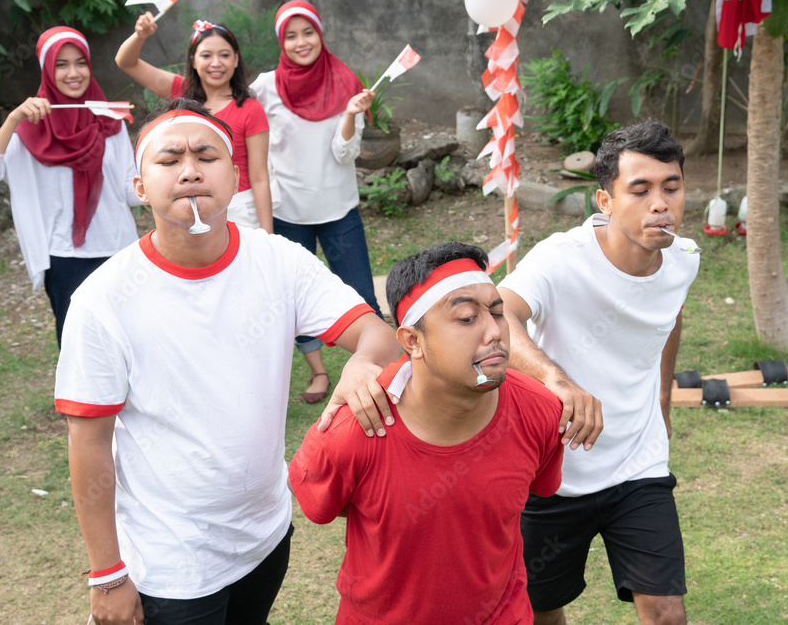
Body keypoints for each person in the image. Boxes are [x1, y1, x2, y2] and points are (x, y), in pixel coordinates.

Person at [54, 100, 401, 625]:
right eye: (169, 160)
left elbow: (379, 335)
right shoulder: (103, 299)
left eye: (206, 156)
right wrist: (107, 575)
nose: (190, 169)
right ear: (140, 187)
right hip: (171, 563)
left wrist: (361, 363)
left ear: (236, 176)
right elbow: (90, 443)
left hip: (265, 534)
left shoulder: (276, 261)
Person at [290, 243, 566, 624]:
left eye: (498, 312)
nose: (494, 332)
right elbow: (323, 505)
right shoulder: (354, 428)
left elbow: (533, 486)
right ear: (413, 342)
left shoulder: (539, 408)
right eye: (467, 318)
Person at [497, 119, 699, 625]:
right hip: (553, 469)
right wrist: (555, 380)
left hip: (638, 464)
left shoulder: (685, 260)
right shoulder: (560, 260)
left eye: (671, 187)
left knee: (667, 613)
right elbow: (500, 314)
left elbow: (670, 318)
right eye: (641, 189)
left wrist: (663, 399)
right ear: (604, 201)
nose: (661, 203)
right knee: (541, 609)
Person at [0, 26, 141, 347]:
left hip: (119, 249)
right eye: (61, 64)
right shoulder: (29, 128)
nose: (73, 73)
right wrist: (12, 120)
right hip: (64, 257)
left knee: (127, 342)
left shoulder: (109, 121)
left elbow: (131, 193)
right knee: (78, 345)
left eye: (81, 62)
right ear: (47, 69)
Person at [252, 0, 382, 405]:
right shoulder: (264, 87)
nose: (300, 42)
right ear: (280, 42)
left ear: (320, 34)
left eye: (307, 32)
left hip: (339, 208)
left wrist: (349, 114)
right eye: (290, 35)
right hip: (288, 210)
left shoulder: (346, 82)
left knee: (361, 294)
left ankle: (375, 371)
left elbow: (345, 154)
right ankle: (319, 373)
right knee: (297, 301)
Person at [115, 13, 274, 233]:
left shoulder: (250, 108)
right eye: (206, 55)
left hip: (240, 209)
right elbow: (126, 62)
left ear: (236, 60)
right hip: (188, 207)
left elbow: (259, 177)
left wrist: (267, 234)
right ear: (193, 60)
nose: (216, 63)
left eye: (225, 55)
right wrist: (140, 35)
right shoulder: (181, 93)